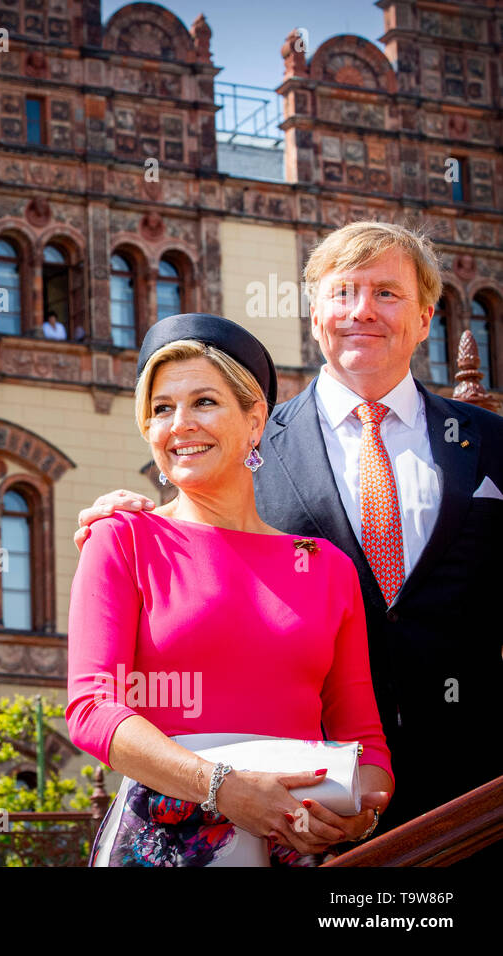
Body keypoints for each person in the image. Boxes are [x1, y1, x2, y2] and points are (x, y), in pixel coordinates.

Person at [75, 221, 503, 847]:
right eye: (342, 292)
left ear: (425, 315)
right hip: (310, 808)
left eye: (386, 293)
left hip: (470, 792)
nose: (362, 311)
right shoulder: (242, 446)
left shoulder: (491, 444)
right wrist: (117, 518)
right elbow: (183, 529)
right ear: (313, 313)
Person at [67, 312, 393, 867]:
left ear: (255, 420)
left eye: (205, 402)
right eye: (162, 409)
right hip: (163, 842)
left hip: (297, 843)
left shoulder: (327, 567)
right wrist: (225, 788)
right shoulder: (120, 538)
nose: (180, 424)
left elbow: (364, 738)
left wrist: (362, 810)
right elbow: (92, 709)